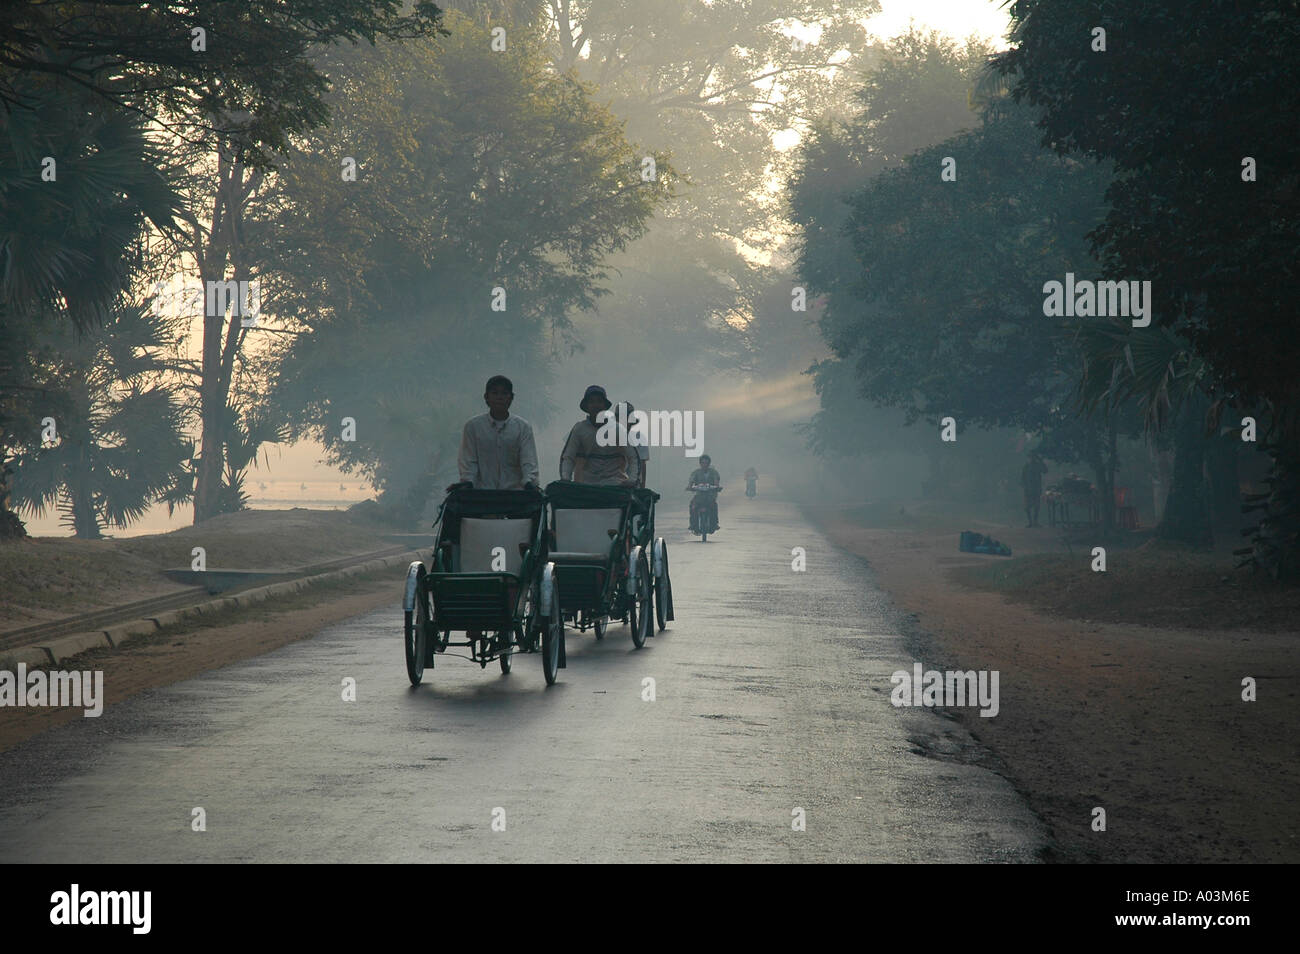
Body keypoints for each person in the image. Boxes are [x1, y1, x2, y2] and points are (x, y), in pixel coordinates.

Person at [456, 375, 539, 490]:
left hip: (516, 497)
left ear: (511, 398)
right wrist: (467, 481)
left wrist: (529, 482)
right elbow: (469, 461)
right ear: (486, 397)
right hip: (480, 496)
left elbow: (528, 461)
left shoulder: (523, 427)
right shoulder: (473, 427)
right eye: (495, 393)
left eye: (504, 393)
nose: (500, 397)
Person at [559, 385, 638, 486]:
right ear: (587, 406)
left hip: (614, 484)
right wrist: (566, 479)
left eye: (599, 401)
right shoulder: (579, 429)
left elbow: (633, 457)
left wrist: (632, 480)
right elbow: (568, 457)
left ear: (605, 406)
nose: (596, 405)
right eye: (592, 402)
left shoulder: (617, 429)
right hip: (587, 484)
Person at [687, 454, 722, 532]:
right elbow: (691, 481)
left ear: (709, 464)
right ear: (700, 463)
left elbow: (716, 481)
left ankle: (714, 524)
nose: (704, 465)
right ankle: (693, 524)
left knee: (714, 506)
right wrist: (689, 486)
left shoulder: (714, 472)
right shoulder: (696, 472)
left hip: (710, 495)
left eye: (706, 463)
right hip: (699, 496)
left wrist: (716, 487)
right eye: (703, 463)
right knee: (693, 506)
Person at [1020, 451, 1047, 527]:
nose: (1032, 458)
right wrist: (1024, 486)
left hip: (1036, 489)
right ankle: (1030, 522)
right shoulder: (1026, 466)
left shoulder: (1038, 465)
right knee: (1027, 507)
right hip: (1028, 489)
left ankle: (1035, 522)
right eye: (1031, 457)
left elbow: (1045, 471)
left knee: (1036, 506)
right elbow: (1022, 478)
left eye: (1033, 457)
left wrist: (1041, 461)